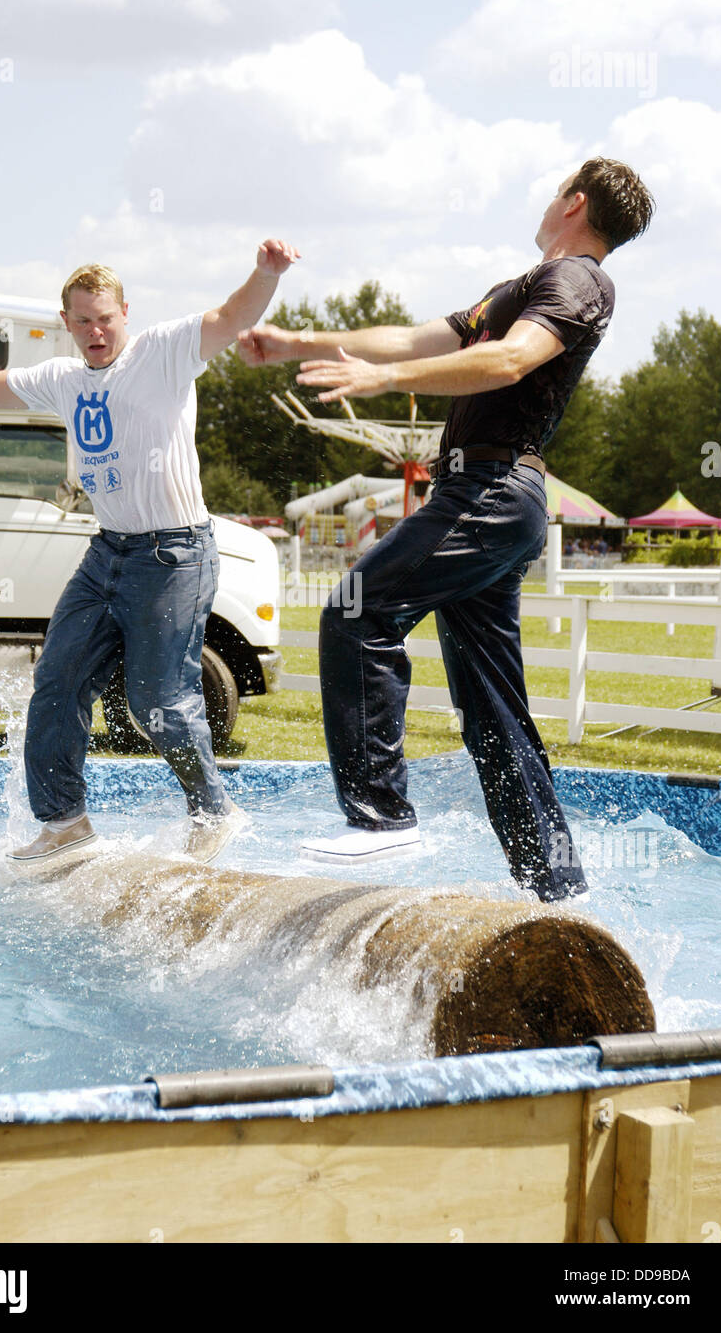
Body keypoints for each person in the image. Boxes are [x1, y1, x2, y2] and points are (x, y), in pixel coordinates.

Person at [238, 158, 653, 901]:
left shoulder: (578, 282)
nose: (547, 196)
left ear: (575, 201)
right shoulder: (519, 288)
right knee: (495, 713)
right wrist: (300, 343)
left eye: (557, 187)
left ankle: (380, 819)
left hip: (491, 491)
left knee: (355, 612)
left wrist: (384, 384)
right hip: (487, 495)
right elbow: (417, 337)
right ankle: (559, 892)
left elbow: (510, 361)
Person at [0, 239, 299, 866]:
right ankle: (65, 823)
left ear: (124, 313)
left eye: (105, 317)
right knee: (56, 679)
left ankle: (214, 810)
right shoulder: (63, 379)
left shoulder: (162, 353)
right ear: (66, 323)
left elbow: (231, 317)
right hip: (108, 554)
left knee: (155, 699)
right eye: (82, 319)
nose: (96, 330)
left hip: (174, 553)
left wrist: (265, 275)